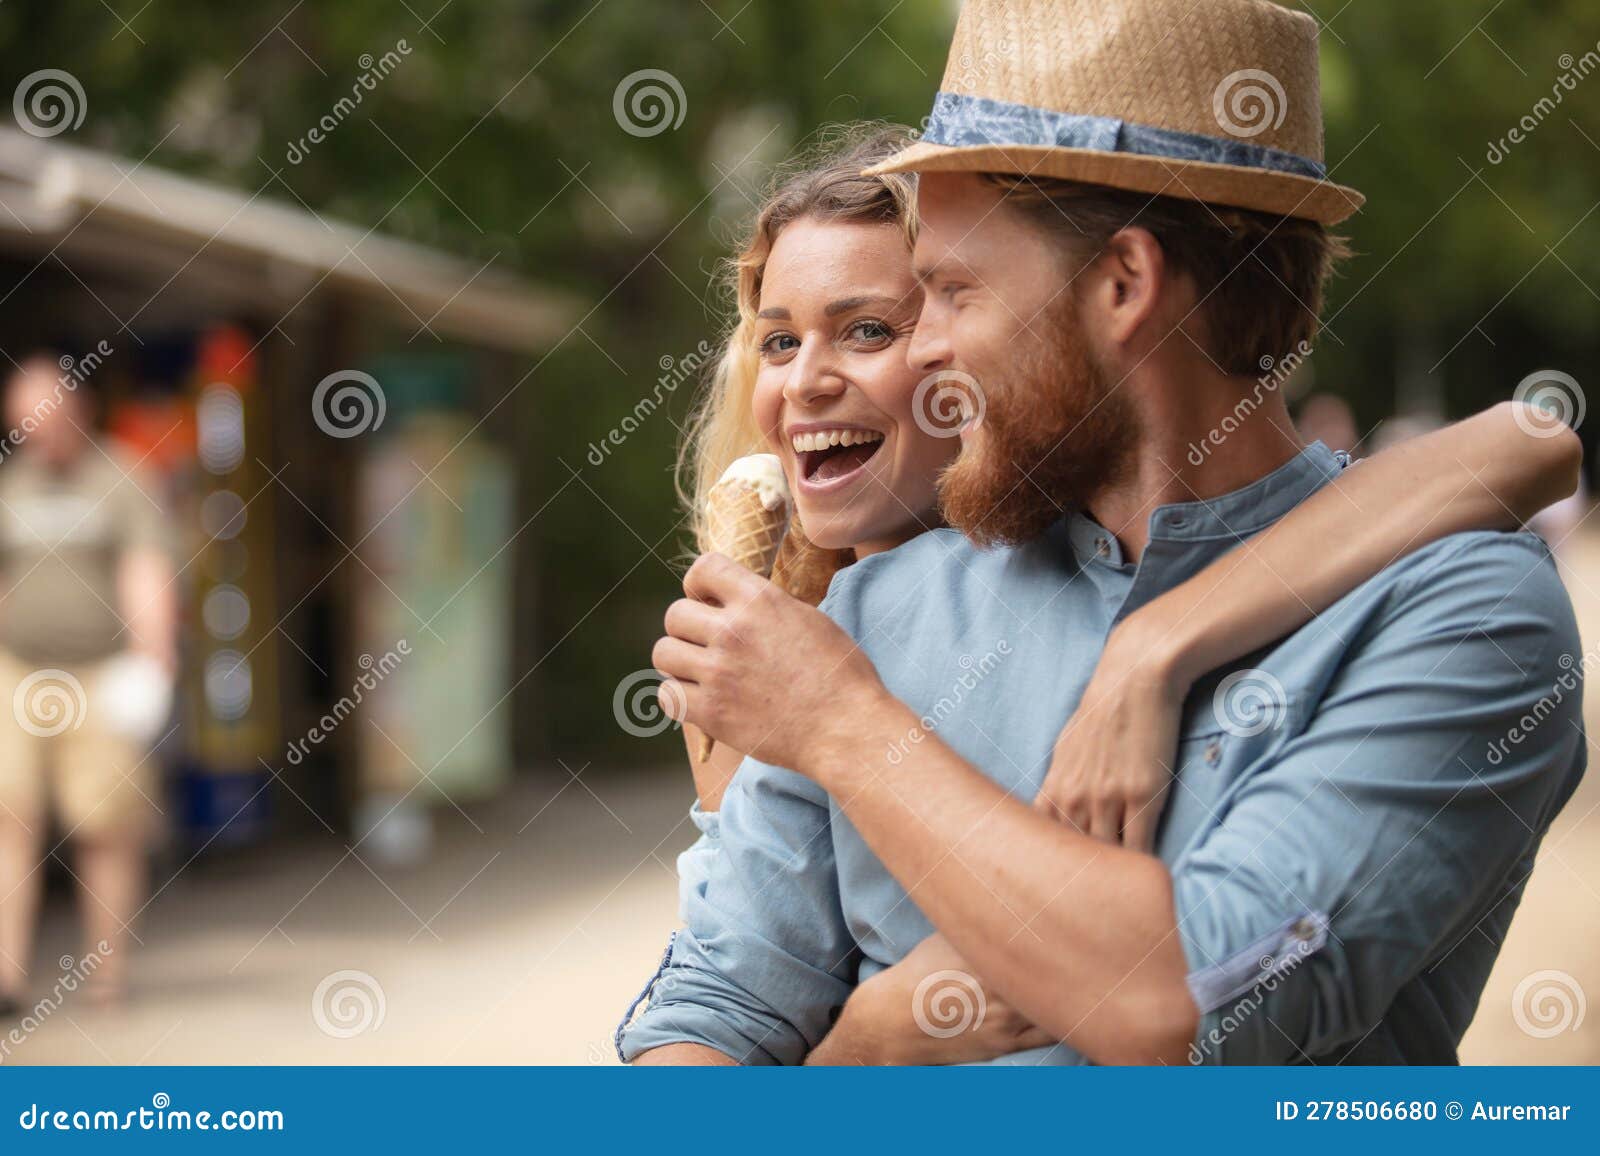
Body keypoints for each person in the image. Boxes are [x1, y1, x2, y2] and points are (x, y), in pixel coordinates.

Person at [626, 0, 1587, 1065]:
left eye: (948, 292)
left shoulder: (1463, 617)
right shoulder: (873, 609)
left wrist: (848, 732)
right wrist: (862, 1042)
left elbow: (1197, 1006)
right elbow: (712, 1014)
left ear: (1124, 283)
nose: (925, 349)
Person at [0, 354, 177, 1014]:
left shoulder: (122, 479)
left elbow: (145, 573)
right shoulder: (12, 487)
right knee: (8, 817)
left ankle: (106, 976)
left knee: (103, 825)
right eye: (21, 425)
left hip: (100, 674)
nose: (33, 436)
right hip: (17, 671)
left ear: (76, 411)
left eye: (41, 421)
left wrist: (153, 662)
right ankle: (7, 977)